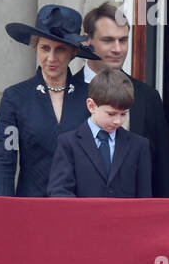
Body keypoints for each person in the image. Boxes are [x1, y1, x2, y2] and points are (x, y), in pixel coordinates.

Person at [0, 5, 98, 196]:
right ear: (35, 48)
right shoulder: (15, 98)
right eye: (45, 48)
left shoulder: (90, 98)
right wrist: (1, 216)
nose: (51, 57)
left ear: (73, 52)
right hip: (30, 212)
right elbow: (4, 163)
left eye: (60, 49)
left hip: (78, 212)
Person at [77, 2, 169, 197]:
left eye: (123, 40)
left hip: (135, 216)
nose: (117, 49)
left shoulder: (147, 97)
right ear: (87, 41)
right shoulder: (67, 91)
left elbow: (162, 171)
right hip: (79, 216)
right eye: (108, 40)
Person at [48, 68, 152, 198]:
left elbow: (144, 198)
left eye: (123, 114)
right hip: (83, 217)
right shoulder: (68, 143)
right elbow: (59, 192)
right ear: (91, 106)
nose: (118, 121)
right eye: (111, 114)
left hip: (124, 218)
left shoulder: (139, 145)